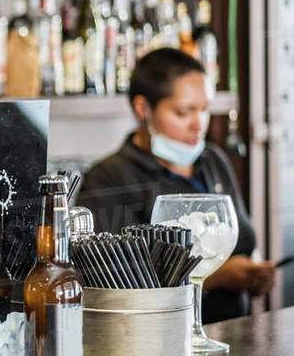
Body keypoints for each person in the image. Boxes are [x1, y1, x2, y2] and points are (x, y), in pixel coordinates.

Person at [77, 48, 275, 322]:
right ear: (142, 108)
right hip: (159, 343)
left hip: (233, 332)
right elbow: (113, 284)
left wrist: (254, 274)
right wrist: (215, 277)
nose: (199, 125)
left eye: (204, 110)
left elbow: (243, 239)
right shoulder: (108, 179)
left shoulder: (213, 159)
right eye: (183, 112)